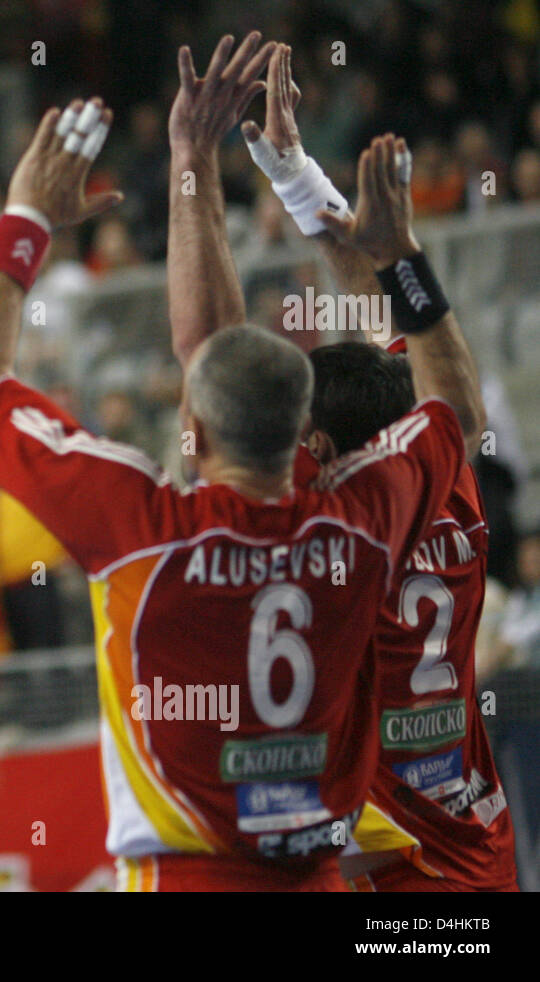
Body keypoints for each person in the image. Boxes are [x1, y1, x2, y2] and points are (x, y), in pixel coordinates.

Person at [0, 31, 485, 891]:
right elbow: (449, 399)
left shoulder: (145, 529)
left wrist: (29, 215)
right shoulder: (377, 515)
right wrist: (400, 258)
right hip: (403, 868)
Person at [170, 42, 515, 890]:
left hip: (373, 865)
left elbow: (211, 352)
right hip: (477, 855)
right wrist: (297, 178)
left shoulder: (333, 524)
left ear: (318, 451)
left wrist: (194, 163)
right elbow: (416, 343)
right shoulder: (444, 477)